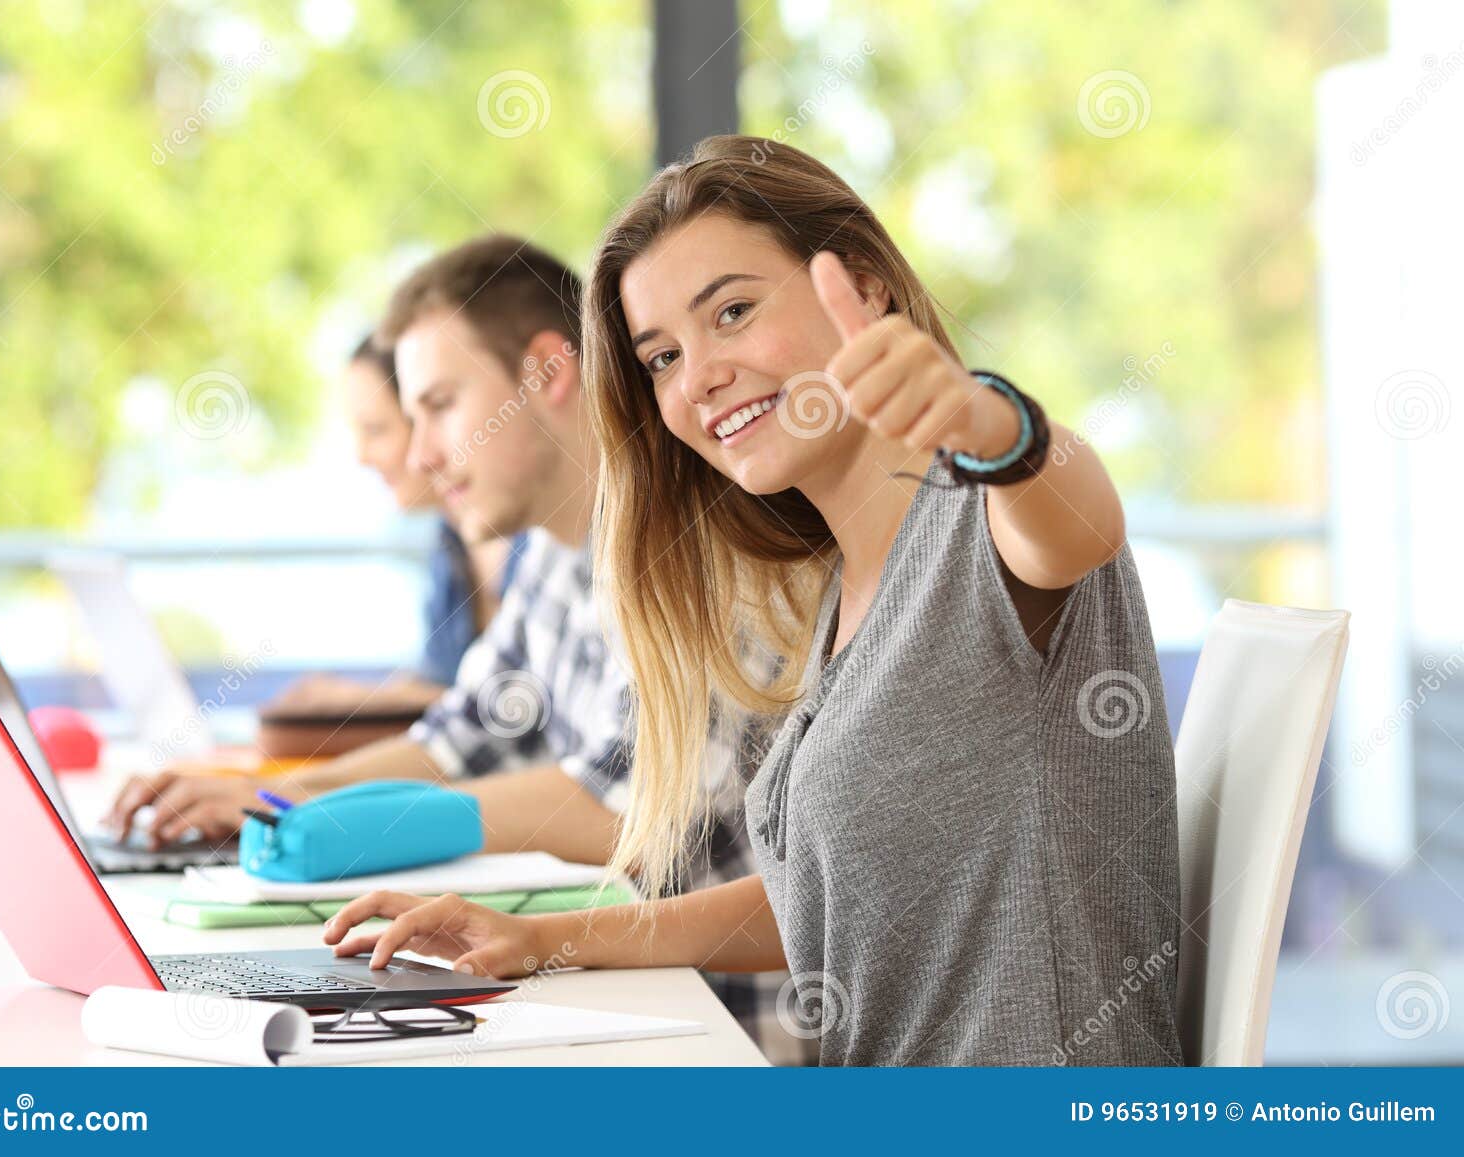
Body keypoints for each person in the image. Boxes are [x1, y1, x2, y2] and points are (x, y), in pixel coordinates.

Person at [319, 137, 1183, 1067]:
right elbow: (818, 902)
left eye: (732, 312)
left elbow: (1078, 518)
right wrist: (544, 939)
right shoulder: (839, 589)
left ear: (863, 286)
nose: (697, 377)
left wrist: (990, 420)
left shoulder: (982, 517)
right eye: (662, 357)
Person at [105, 235, 812, 1065]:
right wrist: (277, 799)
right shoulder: (551, 549)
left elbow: (625, 808)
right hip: (638, 1001)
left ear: (546, 373)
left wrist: (365, 824)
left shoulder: (701, 546)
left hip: (729, 1039)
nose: (420, 456)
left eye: (439, 405)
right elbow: (461, 737)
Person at [262, 334, 524, 729]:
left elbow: (527, 704)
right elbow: (448, 689)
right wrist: (359, 699)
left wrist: (365, 700)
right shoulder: (449, 546)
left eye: (376, 430)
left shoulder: (546, 542)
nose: (362, 457)